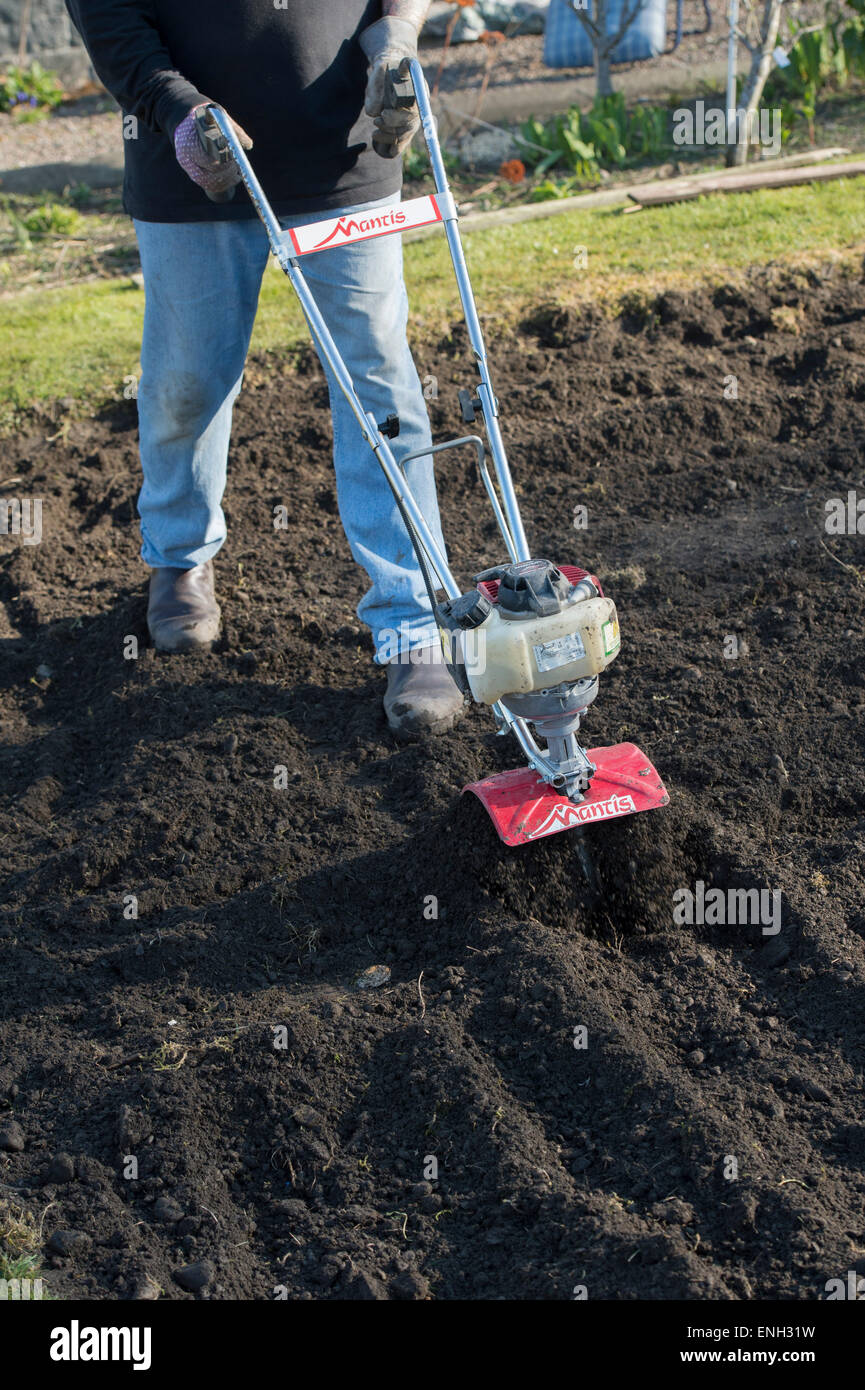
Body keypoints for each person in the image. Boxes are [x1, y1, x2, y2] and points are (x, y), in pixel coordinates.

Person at [66, 0, 465, 737]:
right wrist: (176, 107)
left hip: (347, 150)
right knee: (187, 380)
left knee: (377, 380)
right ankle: (180, 559)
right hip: (191, 155)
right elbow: (109, 16)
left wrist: (396, 40)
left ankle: (414, 623)